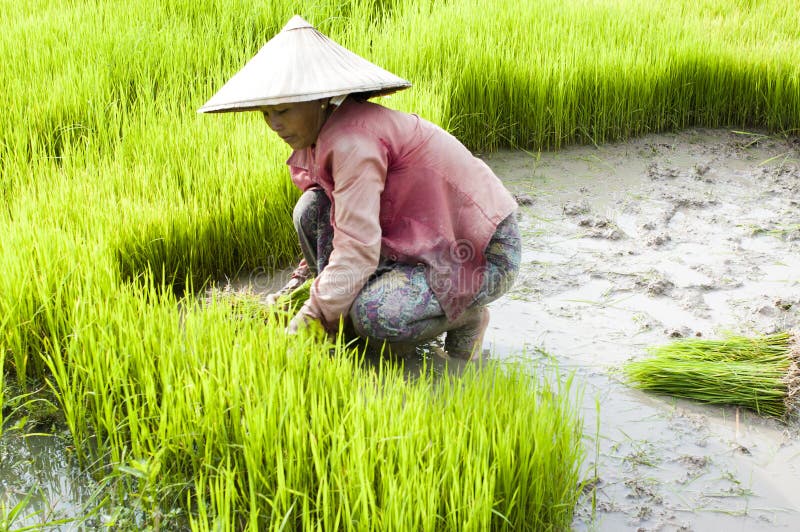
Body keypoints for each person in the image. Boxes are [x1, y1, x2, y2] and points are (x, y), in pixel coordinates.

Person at [200, 15, 520, 360]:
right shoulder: (321, 135)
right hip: (419, 240)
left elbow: (357, 250)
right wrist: (302, 285)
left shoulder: (352, 142)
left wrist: (311, 318)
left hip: (480, 251)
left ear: (319, 99)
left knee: (373, 316)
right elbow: (335, 222)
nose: (274, 125)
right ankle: (348, 313)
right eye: (265, 113)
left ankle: (467, 317)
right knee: (311, 208)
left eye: (283, 110)